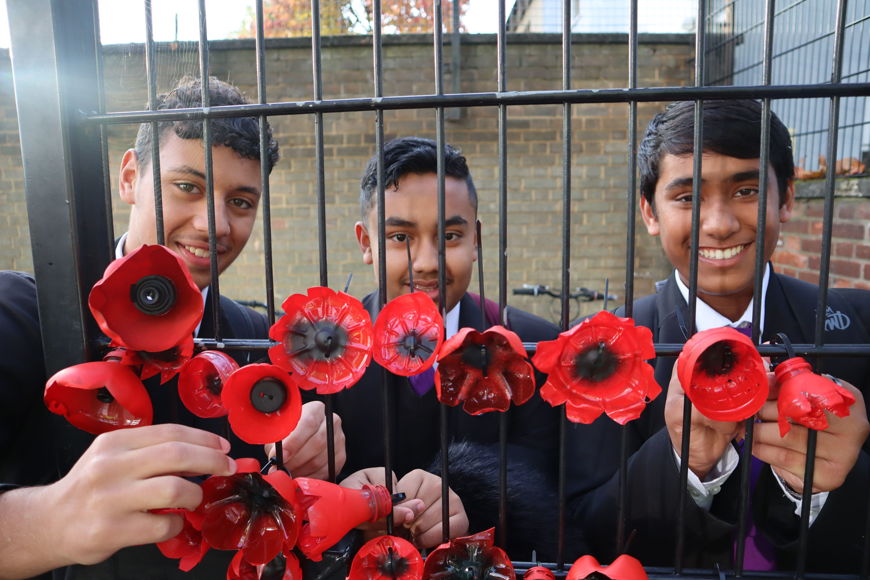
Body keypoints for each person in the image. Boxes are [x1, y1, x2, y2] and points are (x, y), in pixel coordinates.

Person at [0, 76, 344, 579]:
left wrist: (311, 447)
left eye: (241, 202)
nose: (214, 224)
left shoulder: (257, 336)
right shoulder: (19, 312)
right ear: (129, 178)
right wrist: (51, 522)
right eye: (187, 187)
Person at [566, 99, 869, 573]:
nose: (720, 224)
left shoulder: (857, 327)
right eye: (688, 198)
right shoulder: (599, 351)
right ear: (649, 212)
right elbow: (582, 528)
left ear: (786, 199)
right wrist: (681, 463)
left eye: (747, 190)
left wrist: (831, 483)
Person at [323, 136, 564, 558]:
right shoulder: (322, 351)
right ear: (366, 243)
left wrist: (470, 497)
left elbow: (547, 486)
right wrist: (344, 505)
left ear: (476, 240)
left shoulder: (535, 345)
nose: (426, 262)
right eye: (400, 237)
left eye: (450, 235)